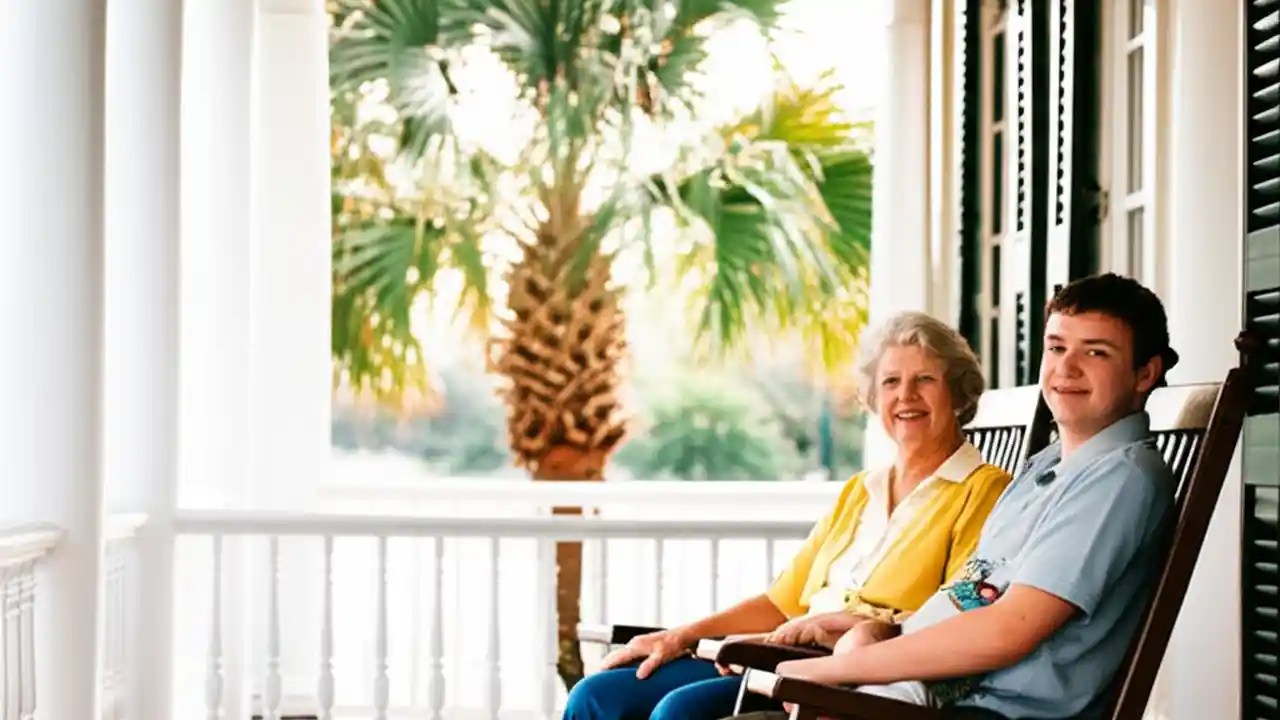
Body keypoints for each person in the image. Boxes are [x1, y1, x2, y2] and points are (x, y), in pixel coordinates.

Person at [735, 273, 1180, 719]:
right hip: (937, 694)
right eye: (1057, 347)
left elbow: (1008, 630)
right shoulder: (1047, 466)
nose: (1066, 368)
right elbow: (976, 594)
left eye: (1096, 352)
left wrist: (837, 671)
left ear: (1145, 373)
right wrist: (883, 630)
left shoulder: (1119, 480)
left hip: (993, 712)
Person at [562, 312, 1013, 720]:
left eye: (925, 380)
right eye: (891, 382)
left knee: (679, 712)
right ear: (874, 398)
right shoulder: (861, 490)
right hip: (770, 652)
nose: (906, 396)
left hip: (841, 672)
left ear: (957, 392)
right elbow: (781, 601)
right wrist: (680, 635)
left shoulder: (982, 490)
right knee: (596, 697)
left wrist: (842, 626)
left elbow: (957, 617)